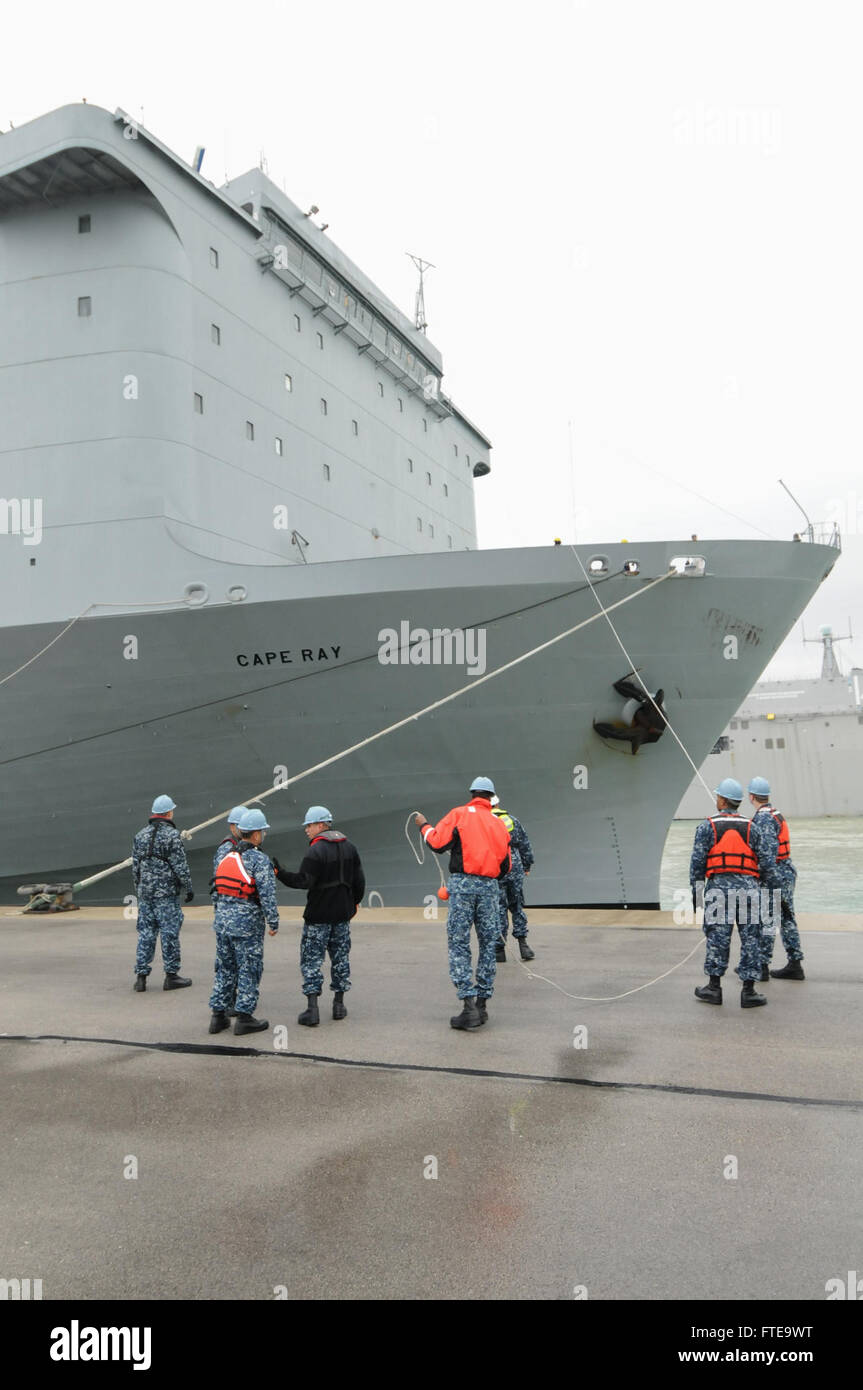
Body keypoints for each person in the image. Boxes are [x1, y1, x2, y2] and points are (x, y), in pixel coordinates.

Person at [414, 776, 511, 1030]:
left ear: (472, 794)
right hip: (490, 890)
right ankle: (482, 1005)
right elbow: (506, 867)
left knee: (459, 943)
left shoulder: (459, 814)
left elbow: (437, 842)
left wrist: (423, 825)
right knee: (488, 944)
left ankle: (467, 1006)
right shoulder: (499, 824)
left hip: (463, 887)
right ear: (491, 797)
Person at [690, 778, 778, 1009]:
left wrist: (698, 897)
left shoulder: (707, 826)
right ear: (738, 802)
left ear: (721, 800)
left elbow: (697, 865)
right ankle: (748, 992)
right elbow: (768, 863)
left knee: (718, 938)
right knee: (751, 939)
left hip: (719, 889)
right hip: (749, 891)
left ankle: (714, 988)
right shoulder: (752, 827)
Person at [272, 806, 365, 1026]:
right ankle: (339, 1005)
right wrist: (352, 904)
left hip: (318, 917)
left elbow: (305, 881)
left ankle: (312, 1010)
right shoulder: (350, 847)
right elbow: (360, 881)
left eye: (309, 825)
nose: (306, 829)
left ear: (321, 825)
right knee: (340, 960)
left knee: (312, 961)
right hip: (342, 915)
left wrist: (281, 874)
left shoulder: (315, 851)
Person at [208, 808, 279, 1035]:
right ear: (256, 835)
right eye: (262, 832)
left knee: (225, 968)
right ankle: (245, 1017)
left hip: (223, 923)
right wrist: (273, 922)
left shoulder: (227, 856)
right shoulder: (259, 859)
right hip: (246, 925)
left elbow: (217, 890)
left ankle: (218, 1017)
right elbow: (267, 894)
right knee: (249, 968)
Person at [131, 795, 194, 992]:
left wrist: (139, 888)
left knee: (146, 933)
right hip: (166, 894)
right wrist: (188, 887)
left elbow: (135, 867)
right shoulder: (172, 836)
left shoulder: (140, 835)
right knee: (169, 933)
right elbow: (180, 866)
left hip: (146, 894)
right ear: (169, 813)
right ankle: (171, 975)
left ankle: (141, 977)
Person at [748, 776, 805, 981]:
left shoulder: (762, 818)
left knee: (767, 920)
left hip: (774, 873)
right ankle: (795, 962)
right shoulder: (776, 814)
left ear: (751, 796)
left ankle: (762, 965)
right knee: (787, 917)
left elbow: (767, 853)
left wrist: (761, 877)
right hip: (786, 869)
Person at [208, 806, 248, 1017]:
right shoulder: (228, 849)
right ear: (233, 826)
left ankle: (226, 1005)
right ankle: (230, 1001)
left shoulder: (242, 847)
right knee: (231, 961)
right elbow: (220, 885)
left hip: (229, 914)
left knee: (232, 960)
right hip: (230, 914)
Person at [491, 795, 535, 962]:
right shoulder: (512, 820)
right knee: (516, 906)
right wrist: (527, 865)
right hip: (514, 866)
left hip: (496, 869)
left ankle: (499, 950)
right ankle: (523, 945)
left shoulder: (486, 821)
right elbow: (525, 843)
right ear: (498, 803)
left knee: (499, 908)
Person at [593, 674, 667, 755]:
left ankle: (624, 688)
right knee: (646, 702)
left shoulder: (649, 725)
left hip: (644, 730)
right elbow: (660, 693)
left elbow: (661, 693)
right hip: (649, 719)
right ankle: (625, 688)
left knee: (646, 702)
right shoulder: (656, 715)